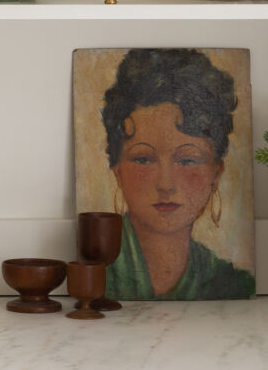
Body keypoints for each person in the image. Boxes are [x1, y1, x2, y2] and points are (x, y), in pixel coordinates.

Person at [99, 48, 255, 300]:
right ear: (118, 172)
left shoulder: (233, 286)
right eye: (143, 159)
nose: (165, 184)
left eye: (186, 160)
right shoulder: (94, 280)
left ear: (216, 174)